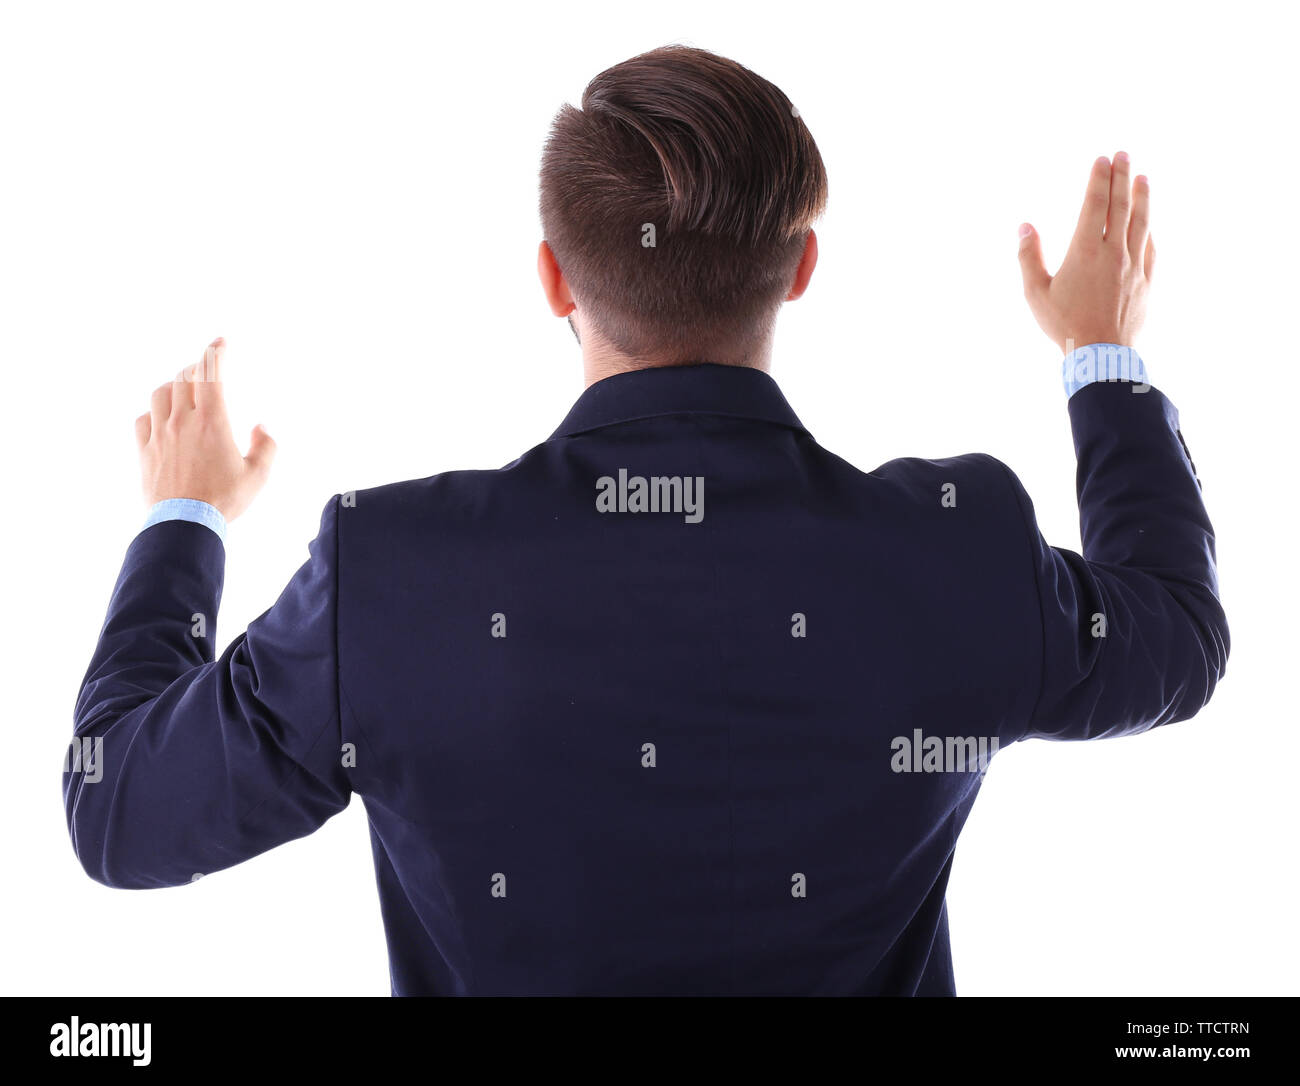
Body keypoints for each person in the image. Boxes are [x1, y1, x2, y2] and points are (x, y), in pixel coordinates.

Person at [66, 45, 1229, 995]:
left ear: (554, 279)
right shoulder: (952, 547)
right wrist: (1100, 358)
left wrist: (185, 519)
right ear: (802, 268)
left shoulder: (393, 576)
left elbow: (116, 808)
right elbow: (1176, 631)